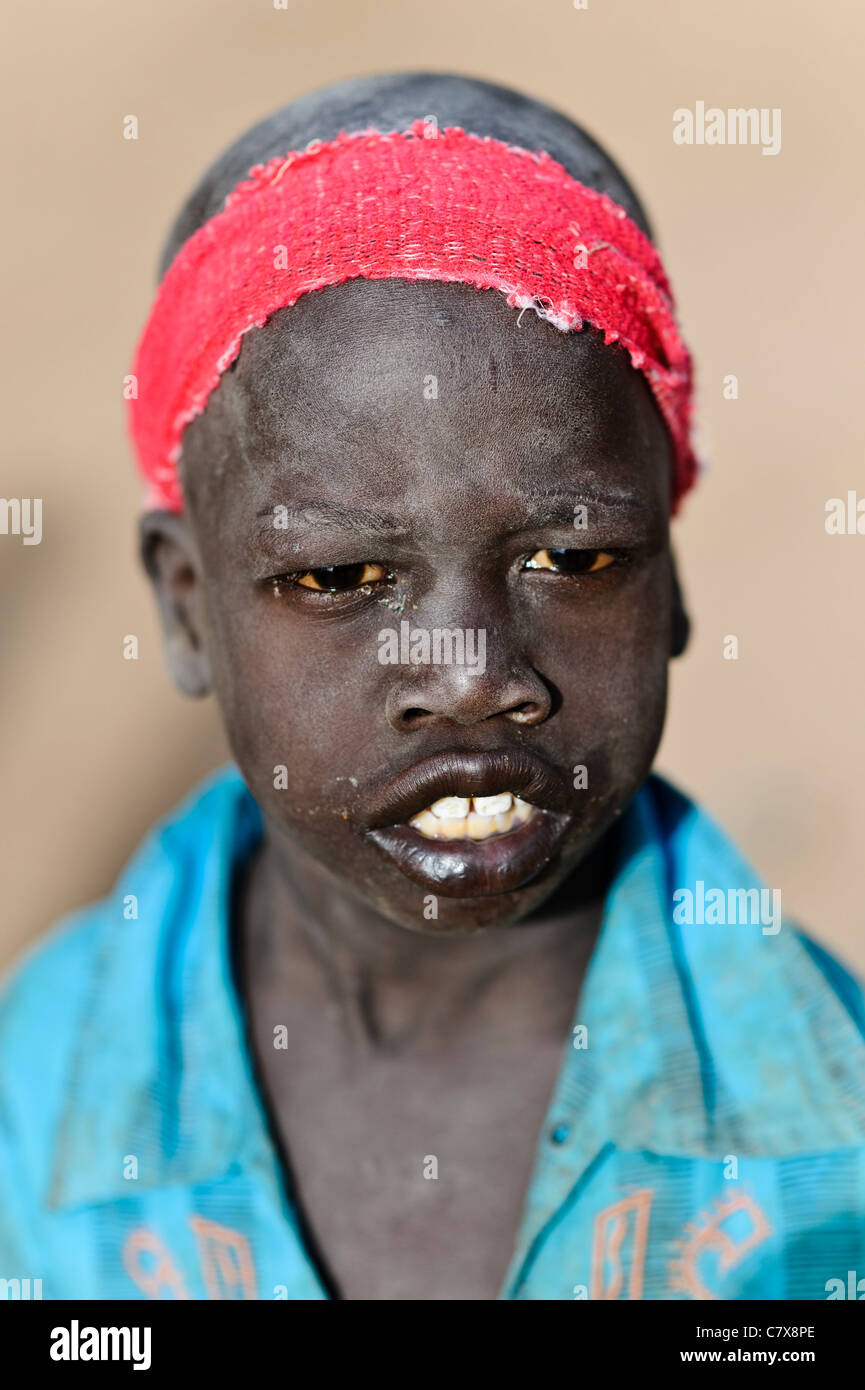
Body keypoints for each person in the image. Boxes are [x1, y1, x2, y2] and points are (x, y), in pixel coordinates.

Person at [2, 72, 864, 1302]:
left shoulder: (836, 1148)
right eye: (339, 576)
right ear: (187, 603)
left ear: (670, 580)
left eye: (571, 558)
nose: (470, 679)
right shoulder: (35, 1102)